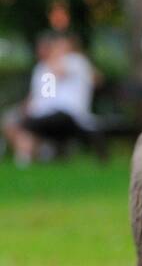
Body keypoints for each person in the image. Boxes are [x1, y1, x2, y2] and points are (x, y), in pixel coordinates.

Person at [2, 32, 104, 166]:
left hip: (70, 114)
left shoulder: (75, 60)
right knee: (17, 122)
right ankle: (28, 157)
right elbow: (45, 95)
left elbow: (62, 73)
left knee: (29, 124)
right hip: (52, 111)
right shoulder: (44, 67)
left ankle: (30, 158)